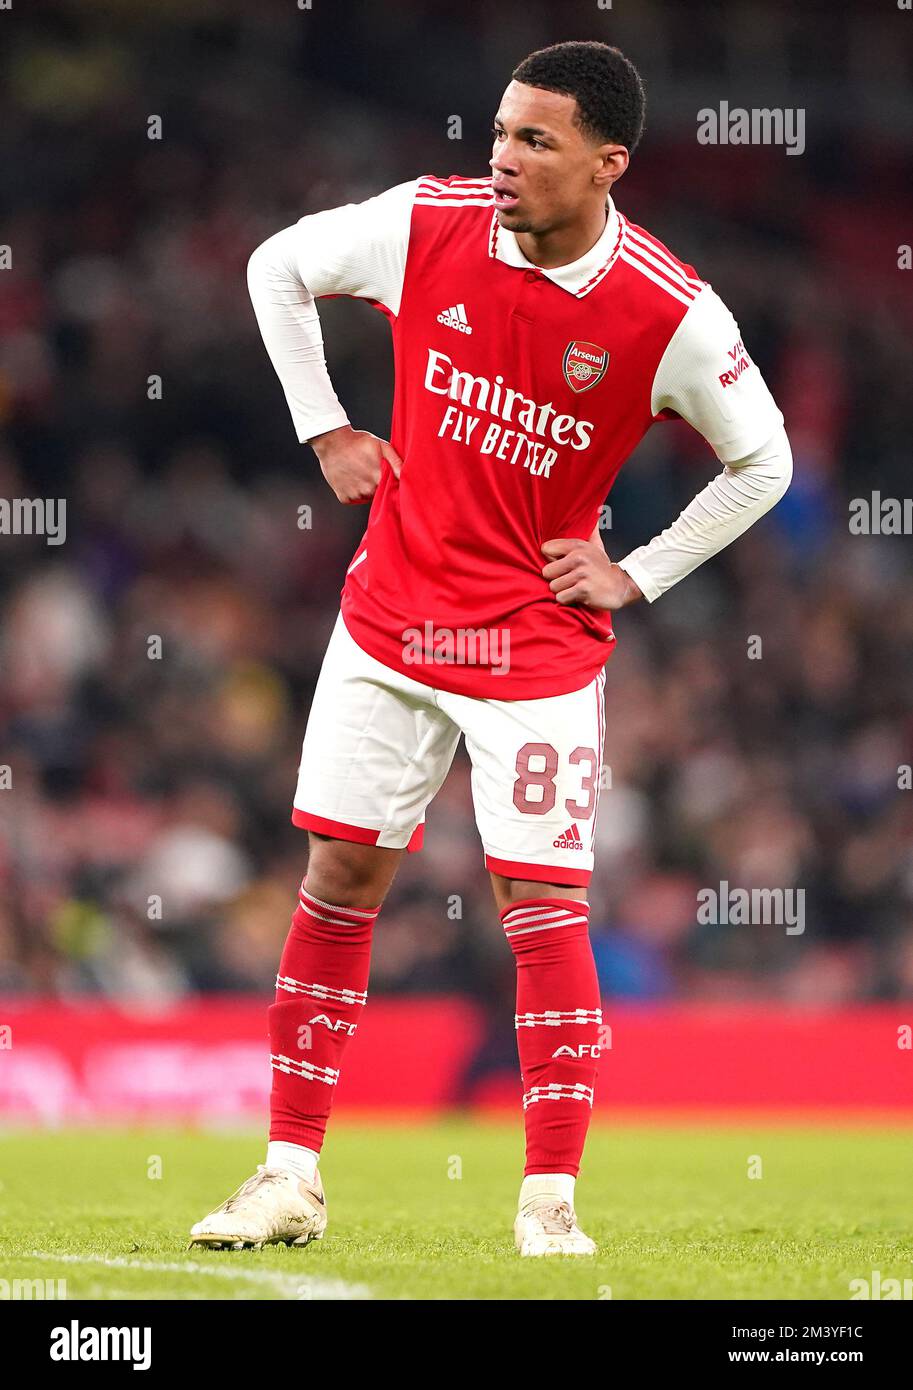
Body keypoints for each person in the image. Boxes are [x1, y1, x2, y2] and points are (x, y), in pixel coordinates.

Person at [190, 40, 791, 1258]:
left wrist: (638, 573)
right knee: (338, 882)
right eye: (500, 131)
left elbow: (763, 458)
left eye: (533, 141)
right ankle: (289, 1172)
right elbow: (275, 266)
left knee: (543, 906)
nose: (499, 157)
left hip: (533, 647)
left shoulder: (670, 309)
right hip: (389, 618)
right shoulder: (428, 222)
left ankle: (549, 1203)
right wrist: (326, 429)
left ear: (606, 164)